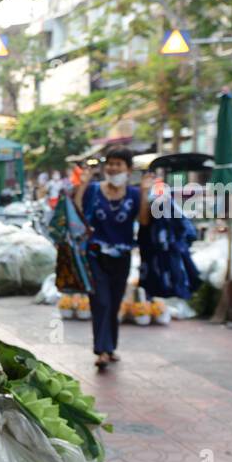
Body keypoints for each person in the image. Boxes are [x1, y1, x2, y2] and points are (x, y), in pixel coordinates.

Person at [72, 147, 152, 369]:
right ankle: (101, 351)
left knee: (114, 302)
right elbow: (76, 213)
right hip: (95, 255)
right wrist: (82, 185)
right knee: (101, 301)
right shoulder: (94, 190)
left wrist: (145, 192)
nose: (113, 168)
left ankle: (110, 347)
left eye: (118, 164)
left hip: (122, 257)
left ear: (128, 169)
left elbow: (144, 221)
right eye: (110, 163)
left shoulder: (135, 194)